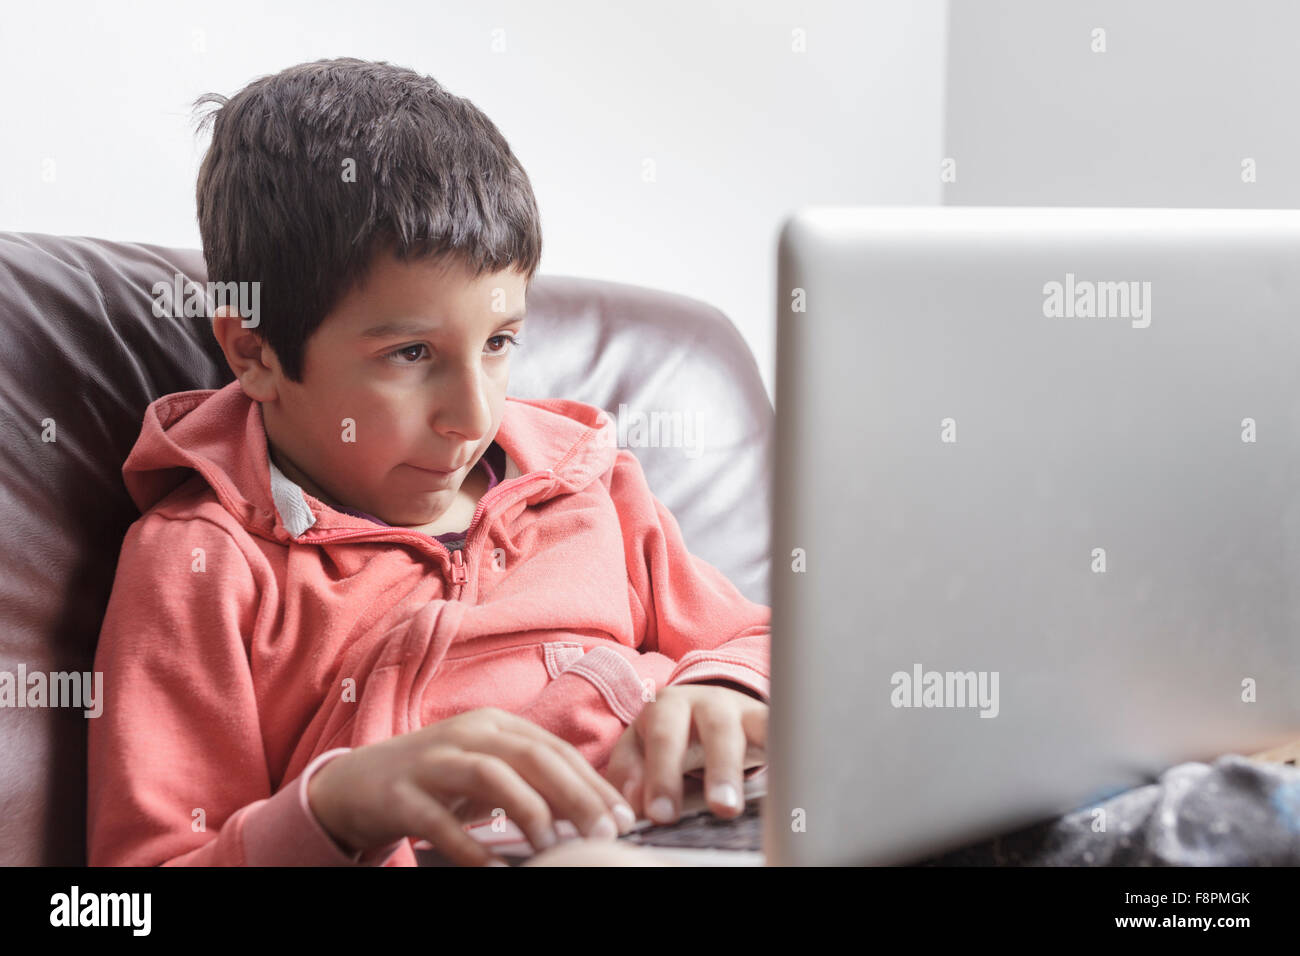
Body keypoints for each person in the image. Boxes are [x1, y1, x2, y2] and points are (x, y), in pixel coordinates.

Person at [86, 58, 769, 868]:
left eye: (499, 343)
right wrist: (333, 810)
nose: (474, 417)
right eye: (411, 354)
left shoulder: (588, 486)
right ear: (255, 351)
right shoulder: (200, 566)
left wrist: (723, 689)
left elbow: (761, 640)